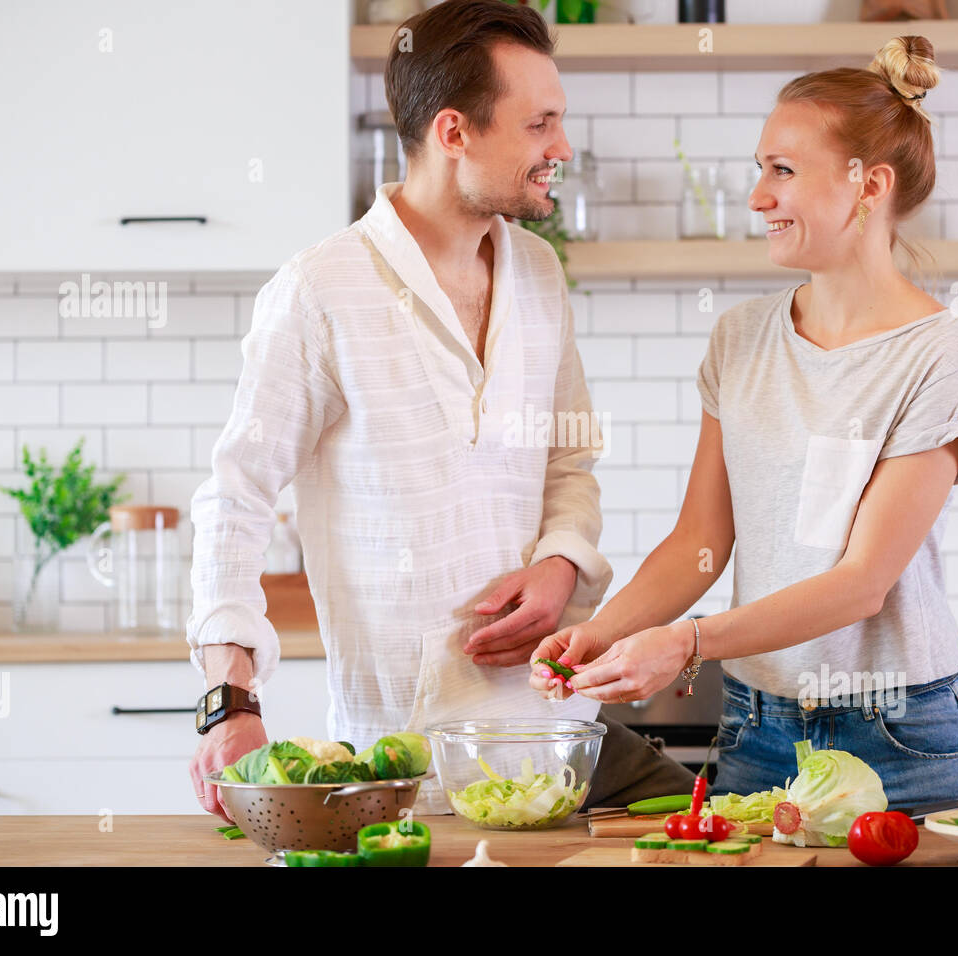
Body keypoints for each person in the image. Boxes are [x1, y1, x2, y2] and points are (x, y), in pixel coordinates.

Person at [186, 0, 693, 820]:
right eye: (540, 126)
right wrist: (230, 702)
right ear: (454, 132)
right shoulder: (321, 290)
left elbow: (569, 459)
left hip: (559, 738)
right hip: (409, 770)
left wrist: (561, 564)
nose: (561, 149)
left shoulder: (536, 271)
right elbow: (236, 497)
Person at [531, 36, 958, 810]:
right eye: (761, 169)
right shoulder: (742, 338)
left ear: (867, 186)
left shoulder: (941, 354)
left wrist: (687, 642)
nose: (757, 197)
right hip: (758, 728)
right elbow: (700, 544)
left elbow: (860, 584)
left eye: (782, 171)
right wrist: (603, 633)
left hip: (901, 735)